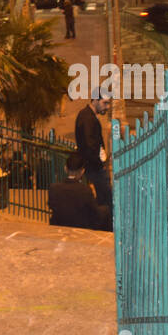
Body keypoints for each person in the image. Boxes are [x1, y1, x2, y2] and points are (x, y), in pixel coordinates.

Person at [74, 88, 112, 220]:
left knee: (104, 199)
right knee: (105, 199)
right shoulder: (87, 118)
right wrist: (100, 163)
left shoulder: (88, 116)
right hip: (94, 168)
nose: (107, 107)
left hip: (94, 166)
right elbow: (90, 145)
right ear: (95, 100)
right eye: (105, 103)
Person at [48, 153, 110, 230]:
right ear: (82, 171)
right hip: (81, 226)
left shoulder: (54, 188)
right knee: (106, 210)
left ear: (65, 168)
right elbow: (94, 213)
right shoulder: (85, 190)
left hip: (60, 224)